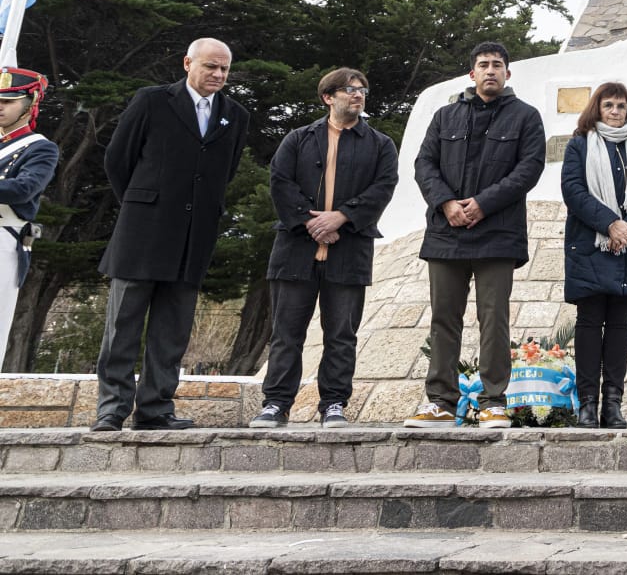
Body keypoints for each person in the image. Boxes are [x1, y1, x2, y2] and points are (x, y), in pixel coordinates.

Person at [93, 38, 249, 431]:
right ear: (187, 63)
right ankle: (111, 409)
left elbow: (225, 172)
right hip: (142, 231)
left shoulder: (235, 115)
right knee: (123, 325)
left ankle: (155, 408)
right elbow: (118, 159)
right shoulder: (151, 100)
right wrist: (142, 203)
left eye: (224, 69)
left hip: (193, 237)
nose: (218, 75)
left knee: (172, 330)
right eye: (210, 66)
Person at [407, 41, 545, 428]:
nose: (490, 70)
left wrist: (483, 204)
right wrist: (446, 203)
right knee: (443, 320)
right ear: (472, 73)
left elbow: (529, 169)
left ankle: (493, 402)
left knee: (494, 319)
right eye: (483, 65)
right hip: (446, 232)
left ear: (507, 73)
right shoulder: (445, 116)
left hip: (498, 235)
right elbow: (424, 164)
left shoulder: (526, 117)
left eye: (497, 65)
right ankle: (441, 402)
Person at [251, 68, 398, 429]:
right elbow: (280, 182)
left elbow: (384, 187)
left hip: (349, 251)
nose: (358, 95)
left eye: (362, 90)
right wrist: (311, 222)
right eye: (349, 89)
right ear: (328, 97)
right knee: (286, 333)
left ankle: (333, 403)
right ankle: (276, 404)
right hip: (295, 251)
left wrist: (341, 217)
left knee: (342, 335)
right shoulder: (298, 139)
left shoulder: (380, 144)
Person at [560, 82, 627, 427]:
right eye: (609, 105)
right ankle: (588, 404)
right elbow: (573, 190)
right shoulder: (579, 145)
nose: (616, 111)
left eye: (621, 106)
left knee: (620, 326)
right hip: (591, 245)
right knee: (589, 324)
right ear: (597, 109)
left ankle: (613, 405)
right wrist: (609, 224)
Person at [0, 68, 59, 368]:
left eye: (8, 101)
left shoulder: (40, 147)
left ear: (30, 103)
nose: (0, 106)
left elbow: (24, 189)